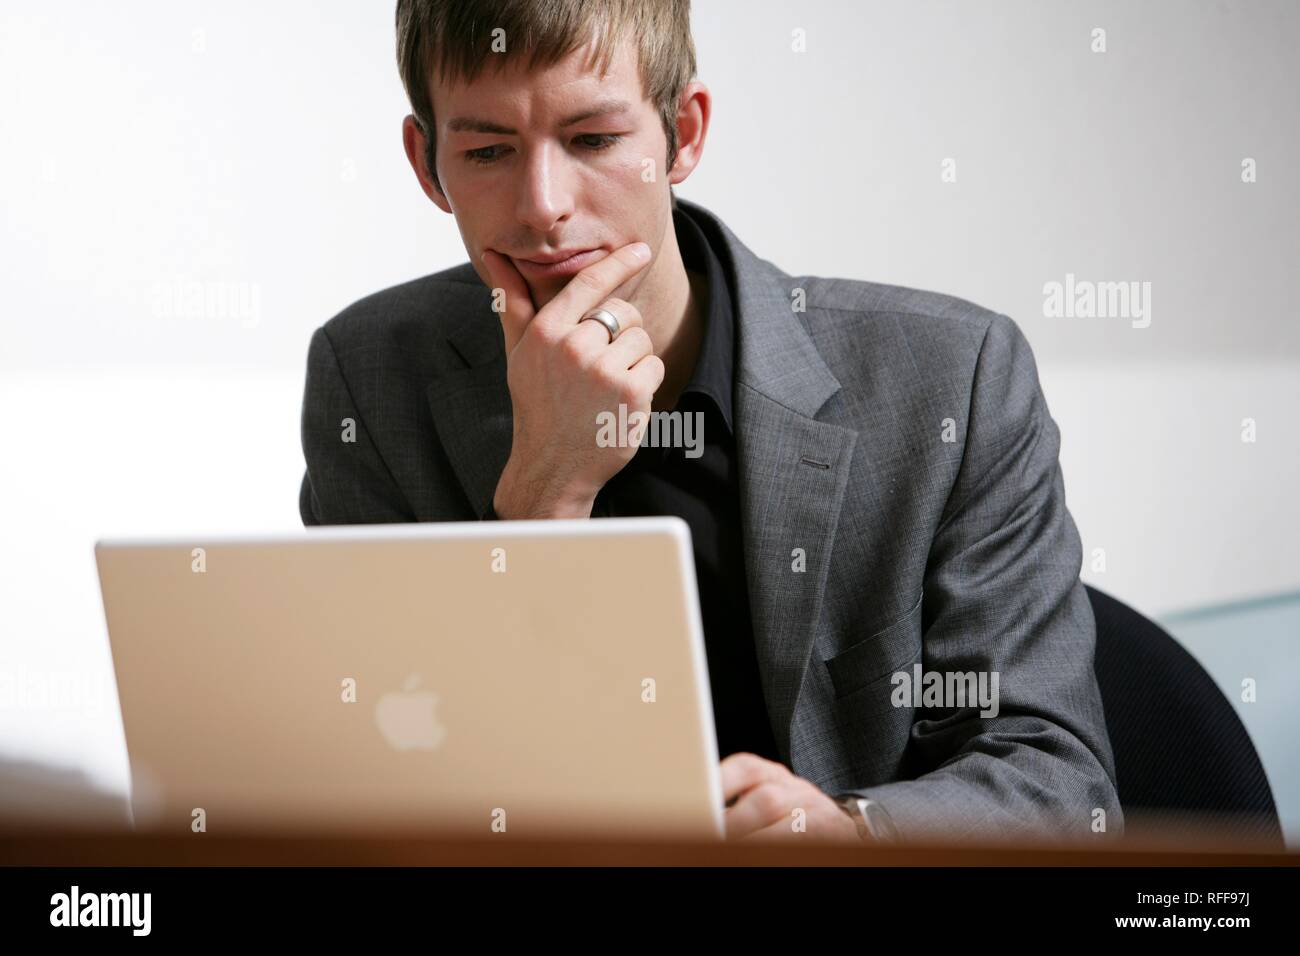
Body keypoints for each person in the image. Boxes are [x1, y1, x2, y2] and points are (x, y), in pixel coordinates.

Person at [298, 0, 1122, 844]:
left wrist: (851, 833)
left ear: (682, 136)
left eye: (593, 140)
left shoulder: (953, 380)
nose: (543, 206)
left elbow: (1059, 784)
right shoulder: (371, 380)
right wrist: (544, 491)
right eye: (486, 151)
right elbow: (385, 787)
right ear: (426, 164)